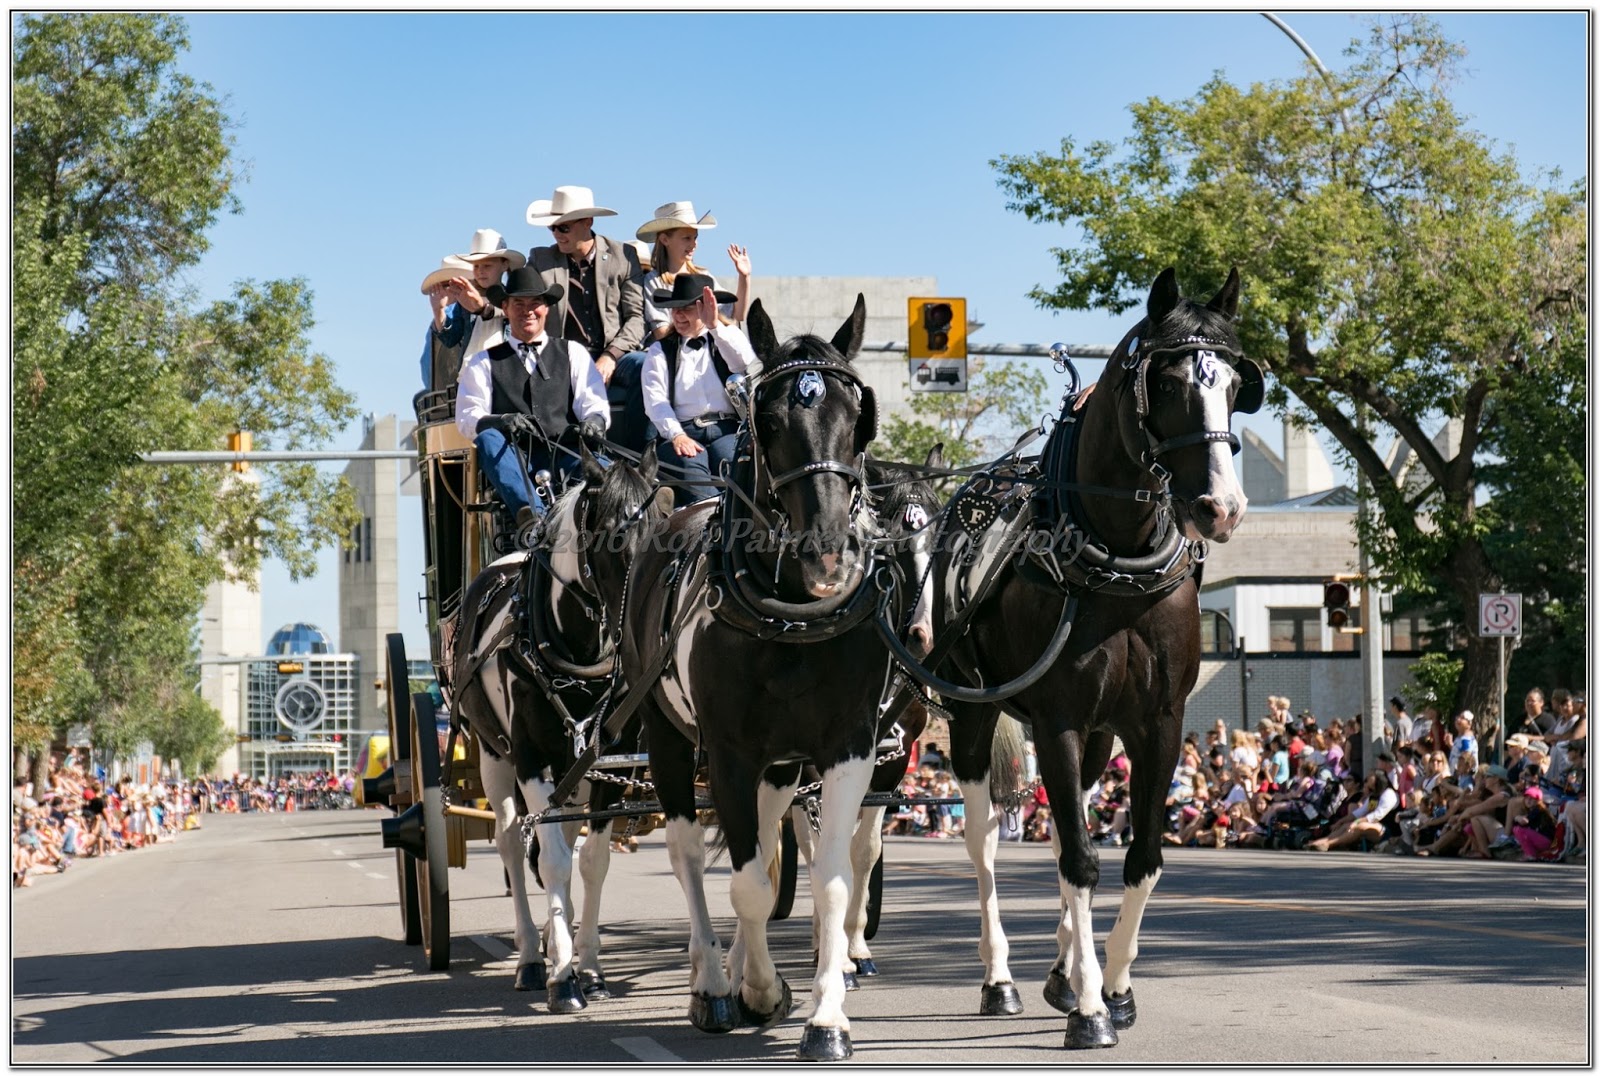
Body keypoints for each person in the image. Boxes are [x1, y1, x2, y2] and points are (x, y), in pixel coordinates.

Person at [455, 265, 610, 538]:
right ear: (505, 306)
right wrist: (501, 421)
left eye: (535, 303)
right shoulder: (483, 362)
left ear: (546, 308)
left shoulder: (572, 352)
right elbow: (467, 418)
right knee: (488, 438)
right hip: (517, 462)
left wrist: (594, 421)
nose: (528, 310)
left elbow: (593, 402)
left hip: (568, 455)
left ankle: (644, 517)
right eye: (519, 303)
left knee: (609, 469)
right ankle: (535, 519)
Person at [524, 185, 650, 452]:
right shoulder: (540, 259)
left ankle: (641, 457)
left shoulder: (623, 256)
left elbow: (637, 318)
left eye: (564, 227)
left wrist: (611, 355)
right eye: (553, 228)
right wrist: (484, 309)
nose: (557, 234)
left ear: (588, 223)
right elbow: (520, 305)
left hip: (615, 356)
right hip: (563, 359)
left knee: (646, 365)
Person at [641, 275, 757, 506]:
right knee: (690, 468)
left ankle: (735, 524)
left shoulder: (727, 335)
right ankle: (711, 528)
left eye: (686, 309)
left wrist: (715, 327)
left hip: (727, 429)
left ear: (705, 309)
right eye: (674, 309)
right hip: (684, 431)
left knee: (733, 461)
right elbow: (656, 402)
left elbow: (742, 362)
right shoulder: (659, 351)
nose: (678, 315)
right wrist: (677, 435)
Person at [419, 229, 523, 391]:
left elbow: (516, 315)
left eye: (487, 266)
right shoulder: (464, 300)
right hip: (470, 376)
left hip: (503, 376)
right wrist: (438, 310)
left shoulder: (515, 297)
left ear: (504, 264)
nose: (481, 271)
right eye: (476, 266)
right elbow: (450, 339)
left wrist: (482, 307)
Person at [635, 201, 752, 342]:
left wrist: (744, 276)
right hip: (671, 357)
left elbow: (737, 315)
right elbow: (662, 332)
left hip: (705, 354)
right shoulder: (653, 281)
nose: (694, 244)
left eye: (695, 237)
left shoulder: (704, 276)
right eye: (687, 238)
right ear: (665, 240)